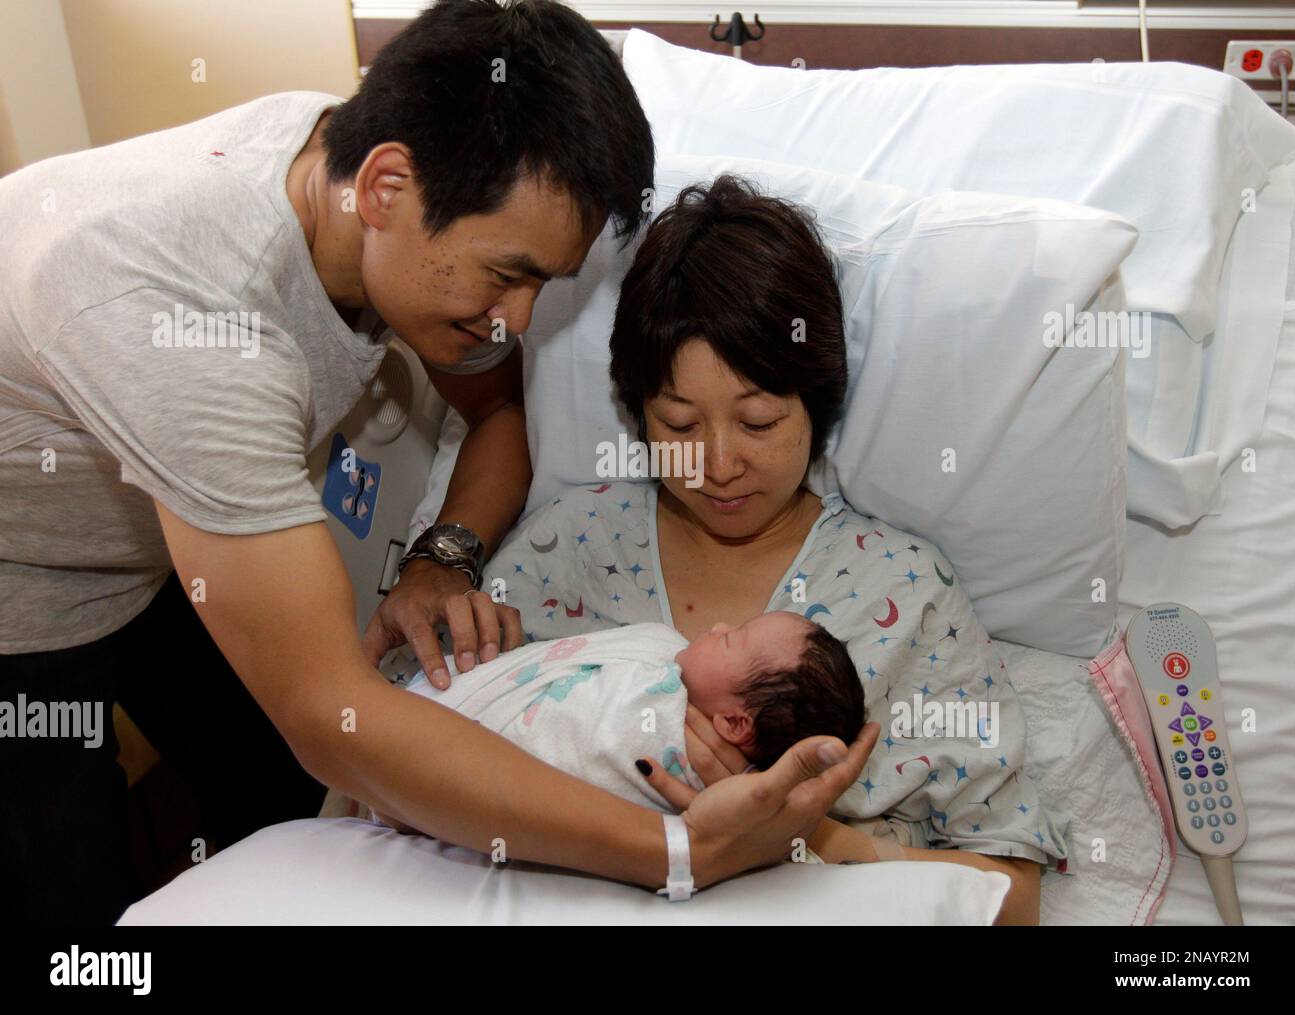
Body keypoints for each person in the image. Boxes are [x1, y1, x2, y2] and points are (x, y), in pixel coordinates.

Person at [0, 0, 873, 924]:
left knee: (288, 810)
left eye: (543, 281)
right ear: (384, 190)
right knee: (71, 910)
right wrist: (677, 851)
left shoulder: (352, 161)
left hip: (147, 549)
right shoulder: (183, 323)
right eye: (507, 274)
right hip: (18, 596)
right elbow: (334, 718)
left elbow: (496, 405)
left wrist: (439, 557)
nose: (521, 321)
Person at [471, 175, 1068, 923]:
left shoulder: (906, 595)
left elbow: (1012, 895)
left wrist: (805, 837)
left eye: (757, 422)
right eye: (680, 425)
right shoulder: (570, 547)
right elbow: (406, 756)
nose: (718, 465)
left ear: (816, 404)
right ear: (636, 413)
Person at [374, 612, 864, 833]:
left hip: (413, 761)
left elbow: (572, 747)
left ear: (735, 724)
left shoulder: (661, 736)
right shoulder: (661, 654)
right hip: (402, 728)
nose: (717, 627)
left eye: (732, 639)